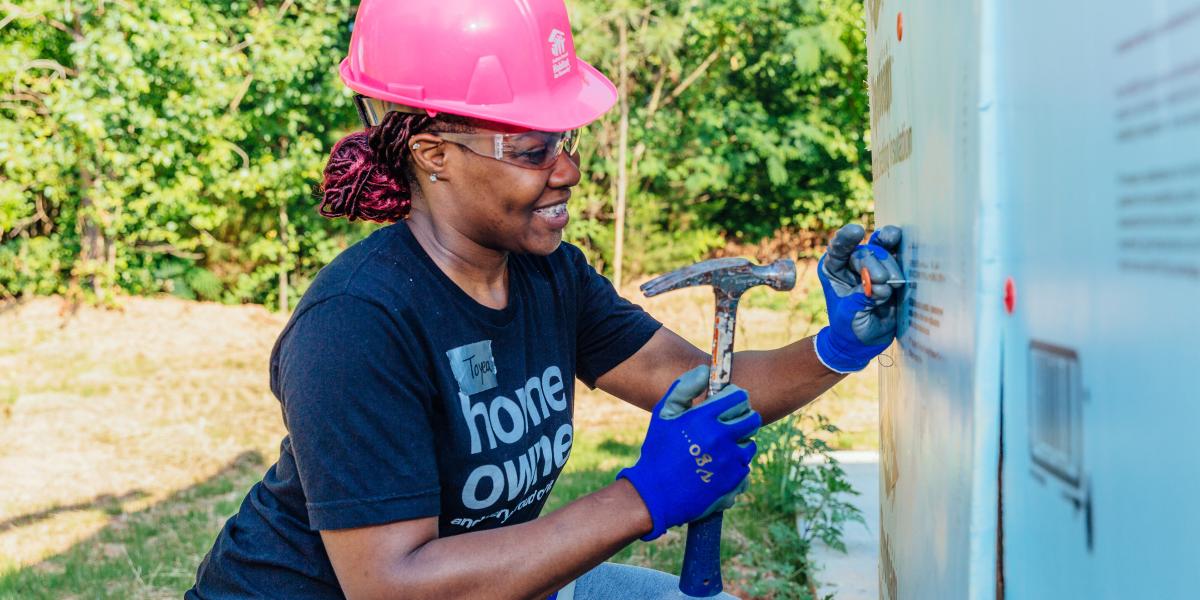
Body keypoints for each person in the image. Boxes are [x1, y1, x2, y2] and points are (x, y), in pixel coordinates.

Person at [187, 0, 904, 598]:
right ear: (434, 154)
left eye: (565, 139)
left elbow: (701, 383)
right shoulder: (356, 324)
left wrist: (838, 347)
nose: (569, 170)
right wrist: (641, 497)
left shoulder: (549, 276)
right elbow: (391, 585)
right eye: (533, 151)